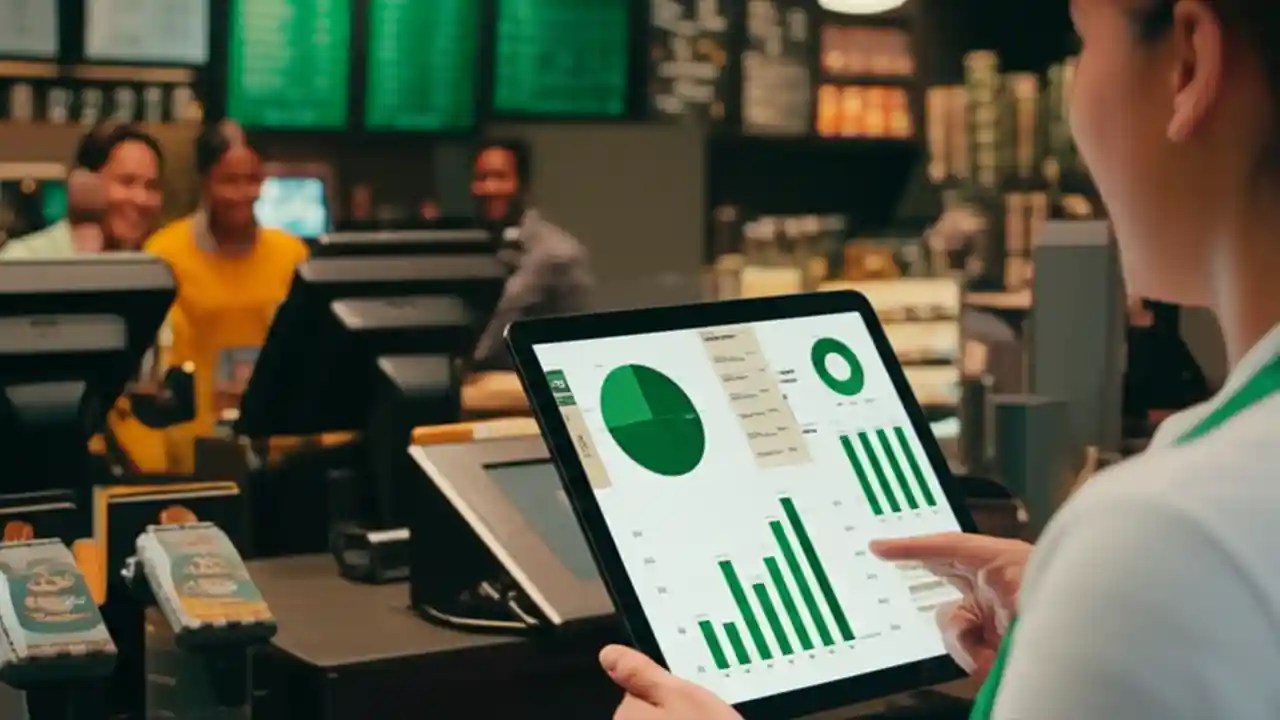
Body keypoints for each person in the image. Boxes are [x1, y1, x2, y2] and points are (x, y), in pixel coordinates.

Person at [600, 1, 1280, 718]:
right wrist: (1072, 643)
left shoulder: (1166, 540)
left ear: (1189, 65)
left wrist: (1110, 602)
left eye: (1082, 45)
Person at [143, 121, 308, 473]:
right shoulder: (164, 254)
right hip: (191, 453)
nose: (242, 193)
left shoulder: (291, 254)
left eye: (252, 180)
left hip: (277, 447)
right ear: (204, 181)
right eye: (229, 181)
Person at [466, 141, 593, 411]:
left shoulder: (558, 254)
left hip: (526, 396)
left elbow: (577, 345)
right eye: (481, 178)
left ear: (522, 184)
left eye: (499, 177)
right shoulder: (468, 246)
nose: (488, 188)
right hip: (471, 386)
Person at [0, 122, 164, 258]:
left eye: (152, 186)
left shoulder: (161, 263)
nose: (141, 198)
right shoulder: (27, 259)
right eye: (126, 182)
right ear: (85, 182)